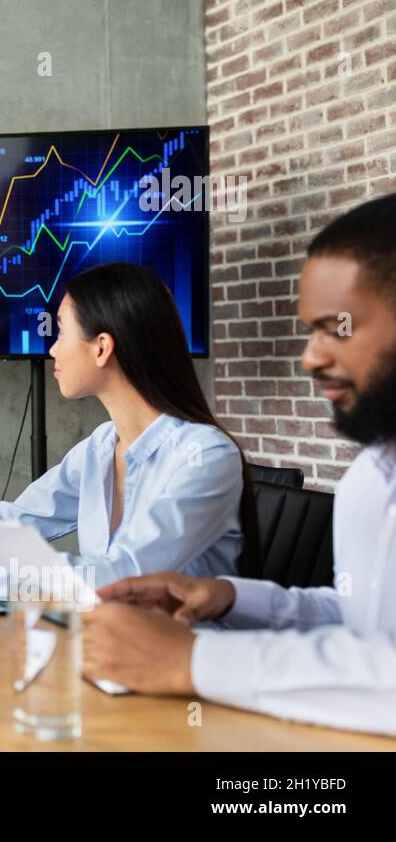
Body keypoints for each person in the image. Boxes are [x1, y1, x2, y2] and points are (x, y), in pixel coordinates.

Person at [84, 196, 396, 736]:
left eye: (336, 329)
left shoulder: (205, 453)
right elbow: (365, 618)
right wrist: (229, 596)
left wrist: (189, 662)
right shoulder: (373, 474)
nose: (310, 358)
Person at [0, 262, 258, 596]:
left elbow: (125, 577)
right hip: (104, 648)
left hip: (180, 662)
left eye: (62, 330)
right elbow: (15, 524)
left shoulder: (203, 457)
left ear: (101, 347)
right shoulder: (102, 445)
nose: (51, 348)